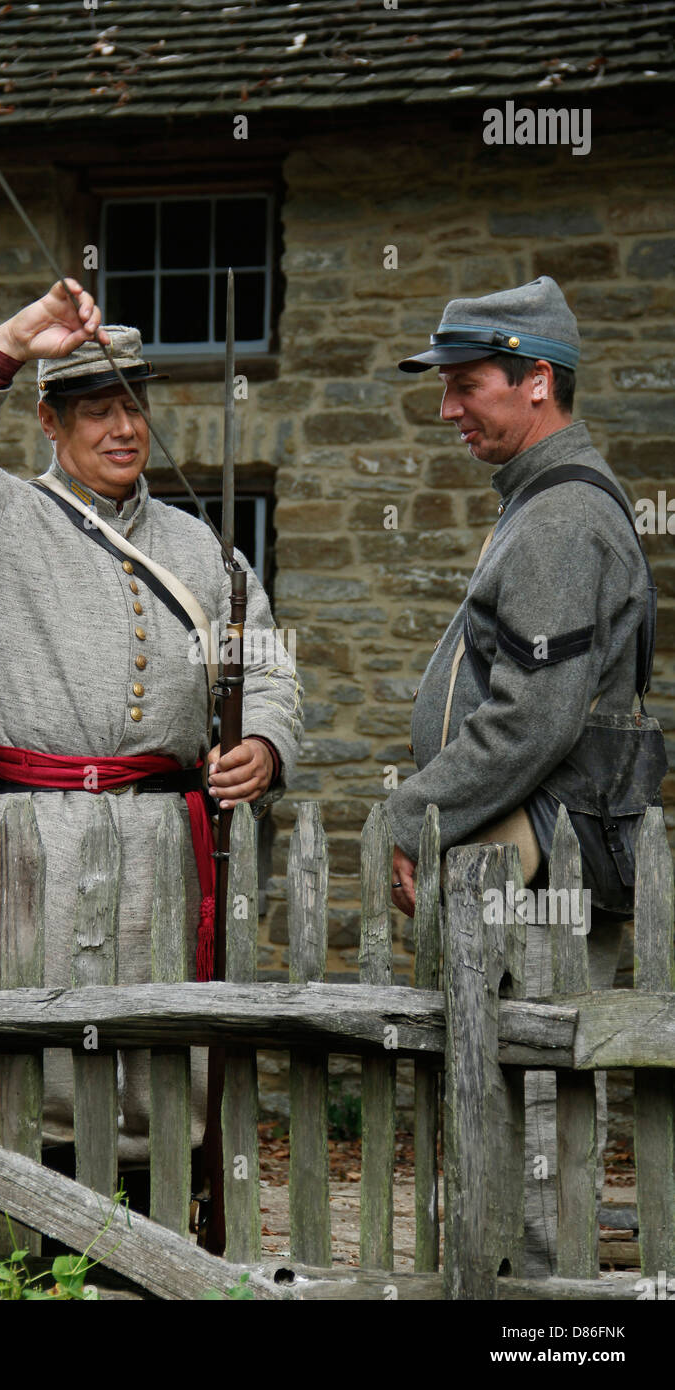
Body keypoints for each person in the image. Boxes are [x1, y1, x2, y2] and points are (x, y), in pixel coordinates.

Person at [0, 277, 303, 1192]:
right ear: (49, 424)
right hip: (32, 842)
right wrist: (12, 340)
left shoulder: (203, 549)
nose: (122, 429)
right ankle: (35, 1262)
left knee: (160, 1084)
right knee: (41, 1081)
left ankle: (154, 1255)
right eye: (95, 410)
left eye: (132, 408)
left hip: (159, 844)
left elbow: (264, 663)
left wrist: (263, 740)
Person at [385, 275, 651, 1276]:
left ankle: (538, 1316)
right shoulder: (539, 503)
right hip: (539, 855)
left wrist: (415, 816)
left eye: (464, 386)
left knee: (536, 1099)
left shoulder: (556, 518)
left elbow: (533, 719)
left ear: (535, 379)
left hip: (550, 865)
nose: (447, 409)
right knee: (514, 1087)